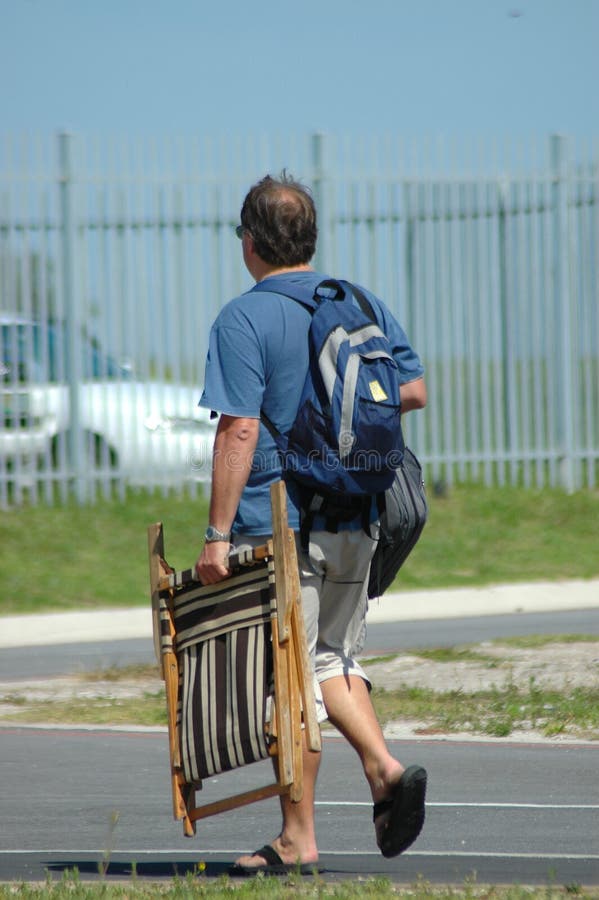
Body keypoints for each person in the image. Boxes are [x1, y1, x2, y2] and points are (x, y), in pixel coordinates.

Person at [195, 173, 428, 874]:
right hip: (358, 514)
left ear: (250, 241)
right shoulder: (357, 301)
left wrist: (216, 536)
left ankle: (300, 836)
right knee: (331, 661)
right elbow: (412, 389)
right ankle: (383, 771)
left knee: (288, 679)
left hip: (284, 522)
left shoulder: (243, 319)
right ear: (310, 239)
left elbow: (238, 429)